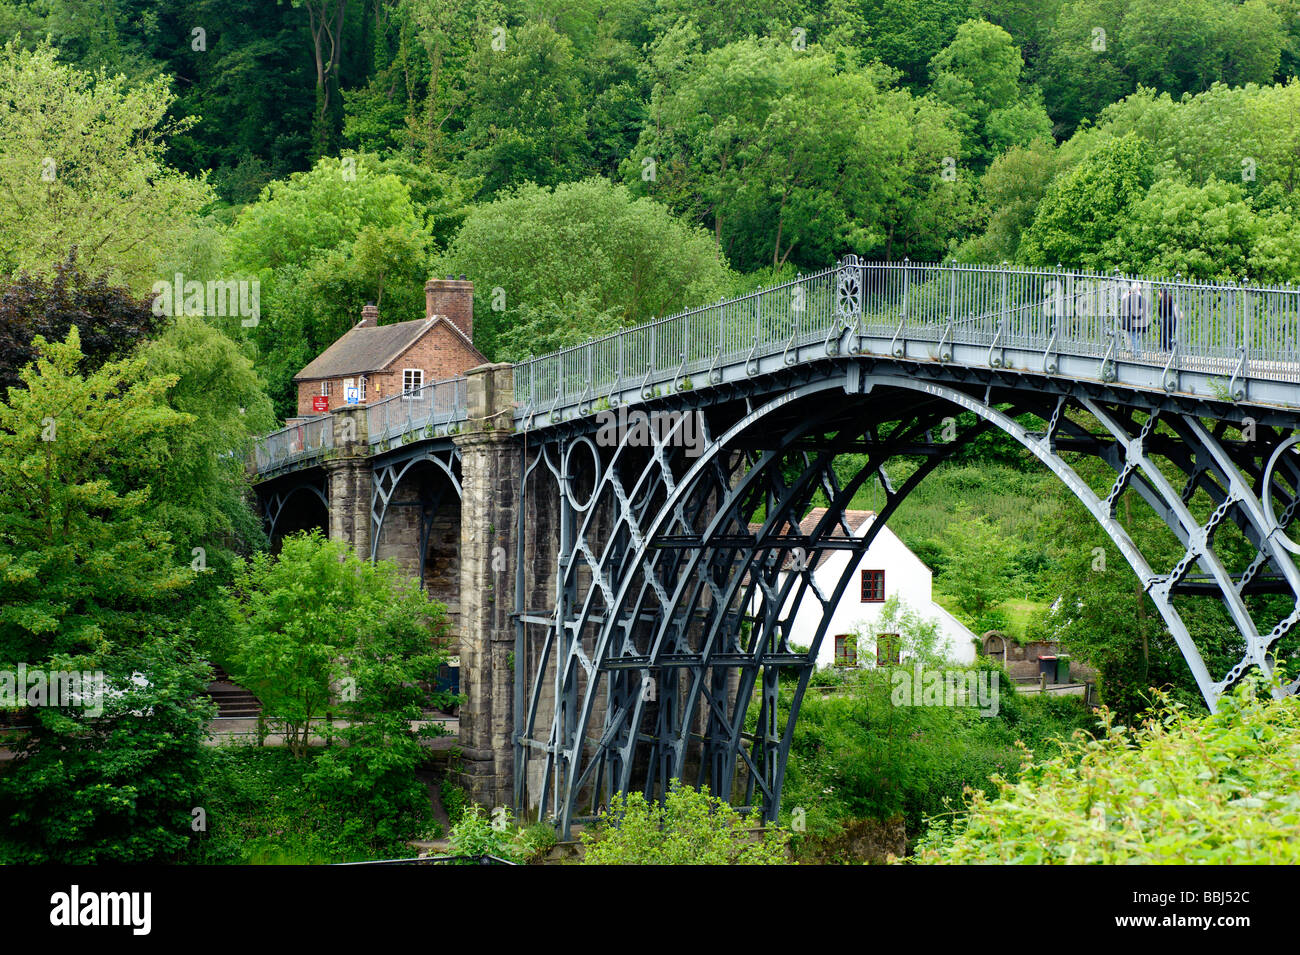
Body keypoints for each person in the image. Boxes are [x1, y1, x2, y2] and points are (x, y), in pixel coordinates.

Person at [1119, 281, 1150, 355]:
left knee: (1133, 336)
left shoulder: (1127, 298)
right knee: (1135, 337)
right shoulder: (1140, 298)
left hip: (1130, 320)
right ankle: (1135, 351)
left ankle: (1137, 352)